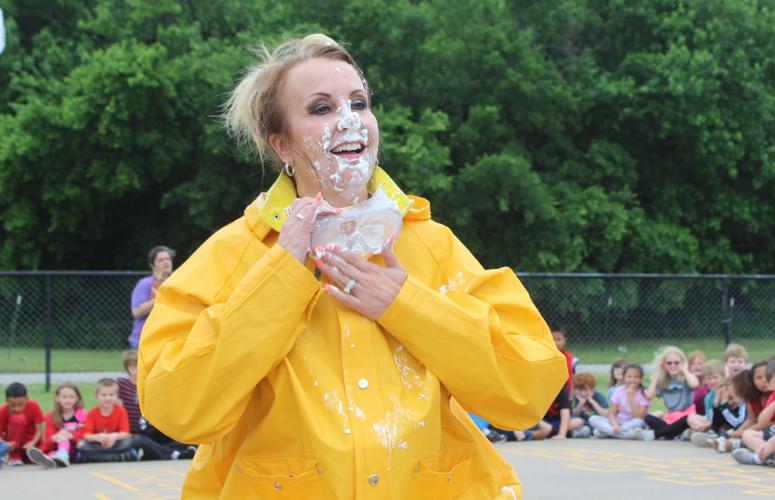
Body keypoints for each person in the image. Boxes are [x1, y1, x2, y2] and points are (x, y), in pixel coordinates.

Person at [137, 34, 566, 499]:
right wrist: (281, 274)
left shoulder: (431, 243)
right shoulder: (236, 252)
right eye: (321, 109)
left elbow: (529, 388)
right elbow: (176, 408)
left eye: (358, 103)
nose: (348, 121)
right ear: (281, 145)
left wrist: (407, 306)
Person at [118, 350, 197, 460]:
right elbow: (110, 397)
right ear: (132, 369)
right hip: (137, 433)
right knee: (137, 441)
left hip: (153, 430)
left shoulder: (151, 384)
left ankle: (159, 452)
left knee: (186, 437)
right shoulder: (121, 385)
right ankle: (172, 454)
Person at [645, 346, 701, 439]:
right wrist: (658, 373)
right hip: (672, 417)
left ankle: (654, 434)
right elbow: (649, 395)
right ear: (664, 365)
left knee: (684, 420)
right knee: (648, 418)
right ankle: (679, 434)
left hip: (686, 417)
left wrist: (684, 369)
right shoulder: (664, 380)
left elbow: (695, 385)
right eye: (669, 363)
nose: (673, 365)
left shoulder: (686, 377)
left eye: (676, 363)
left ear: (682, 363)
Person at [27, 383, 86, 468]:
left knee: (64, 436)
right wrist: (54, 437)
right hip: (57, 446)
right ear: (57, 398)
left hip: (75, 449)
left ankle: (60, 457)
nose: (68, 400)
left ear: (77, 398)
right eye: (64, 397)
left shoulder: (82, 414)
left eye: (71, 397)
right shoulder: (51, 416)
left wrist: (72, 435)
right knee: (60, 439)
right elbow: (48, 439)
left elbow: (85, 433)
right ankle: (51, 459)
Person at [77, 378, 135, 463]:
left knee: (129, 441)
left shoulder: (121, 411)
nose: (108, 398)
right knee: (82, 445)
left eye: (111, 395)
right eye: (104, 395)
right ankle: (114, 457)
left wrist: (114, 436)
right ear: (97, 397)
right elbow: (86, 435)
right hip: (98, 444)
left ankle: (100, 457)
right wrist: (97, 437)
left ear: (116, 396)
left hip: (115, 443)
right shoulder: (92, 413)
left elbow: (125, 433)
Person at [129, 245, 175, 349]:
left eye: (168, 259)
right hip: (144, 340)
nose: (166, 262)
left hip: (169, 340)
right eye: (161, 260)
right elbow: (137, 312)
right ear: (152, 265)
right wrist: (160, 298)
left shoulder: (177, 283)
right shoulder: (144, 284)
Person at [591, 364, 652, 439]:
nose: (632, 379)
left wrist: (631, 397)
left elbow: (638, 416)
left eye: (636, 377)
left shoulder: (644, 393)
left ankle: (610, 433)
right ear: (624, 377)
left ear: (641, 379)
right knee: (593, 419)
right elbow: (612, 413)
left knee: (638, 422)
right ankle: (625, 435)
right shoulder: (619, 391)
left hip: (633, 423)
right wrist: (615, 425)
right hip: (619, 422)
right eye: (629, 377)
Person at [0, 383, 43, 466]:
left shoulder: (34, 406)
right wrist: (6, 444)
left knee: (38, 452)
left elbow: (39, 430)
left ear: (27, 399)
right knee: (18, 418)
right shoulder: (2, 411)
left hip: (31, 443)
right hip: (13, 444)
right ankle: (14, 456)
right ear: (6, 401)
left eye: (20, 405)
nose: (17, 408)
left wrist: (33, 442)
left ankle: (39, 455)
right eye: (13, 405)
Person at [730, 360, 773, 444]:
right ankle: (732, 442)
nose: (764, 380)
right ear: (752, 381)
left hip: (774, 429)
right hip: (758, 428)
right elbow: (750, 420)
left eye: (767, 376)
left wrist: (742, 433)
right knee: (740, 434)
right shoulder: (753, 397)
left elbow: (772, 422)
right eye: (759, 378)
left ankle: (736, 445)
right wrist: (737, 433)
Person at [568, 372, 609, 438]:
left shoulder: (598, 396)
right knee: (584, 429)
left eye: (586, 390)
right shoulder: (577, 397)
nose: (583, 393)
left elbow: (605, 414)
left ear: (593, 389)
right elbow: (574, 414)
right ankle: (574, 433)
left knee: (595, 428)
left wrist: (593, 403)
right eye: (580, 390)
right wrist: (580, 404)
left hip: (596, 423)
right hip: (583, 424)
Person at [551, 326, 577, 394]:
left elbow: (573, 380)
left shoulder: (571, 359)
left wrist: (571, 396)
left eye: (558, 339)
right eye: (553, 339)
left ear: (565, 340)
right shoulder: (543, 358)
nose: (555, 342)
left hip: (565, 394)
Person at [689, 350, 709, 415]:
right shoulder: (687, 382)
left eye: (700, 364)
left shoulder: (709, 382)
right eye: (693, 364)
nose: (696, 366)